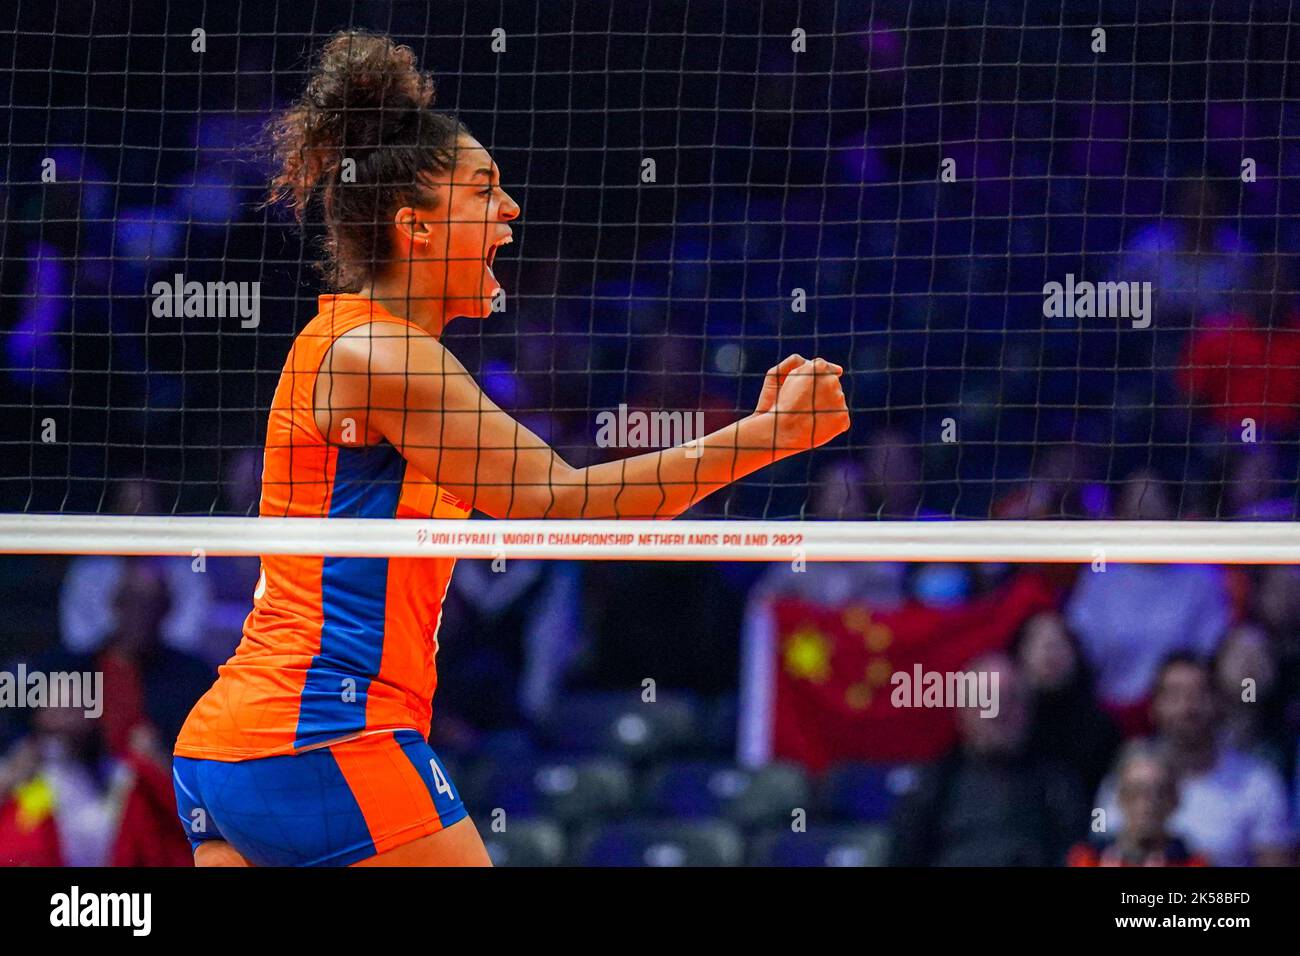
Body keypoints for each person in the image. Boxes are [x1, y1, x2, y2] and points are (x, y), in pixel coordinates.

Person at [172, 29, 849, 868]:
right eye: (484, 191)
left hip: (238, 748)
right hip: (324, 740)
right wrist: (769, 437)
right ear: (415, 228)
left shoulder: (346, 342)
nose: (510, 210)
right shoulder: (386, 356)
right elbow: (567, 503)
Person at [887, 653, 1088, 866]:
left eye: (1010, 699)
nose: (998, 712)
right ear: (962, 710)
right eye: (987, 699)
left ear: (1028, 710)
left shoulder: (1057, 785)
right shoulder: (931, 786)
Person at [1093, 654, 1293, 866]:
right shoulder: (1122, 780)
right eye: (1174, 695)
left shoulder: (1259, 783)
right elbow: (1099, 851)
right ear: (1152, 708)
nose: (1187, 707)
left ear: (1218, 703)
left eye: (1198, 694)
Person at [1068, 742, 1207, 867]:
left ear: (1175, 799)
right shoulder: (1086, 859)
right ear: (1120, 797)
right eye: (1137, 791)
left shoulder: (1194, 863)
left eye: (1160, 792)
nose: (1149, 803)